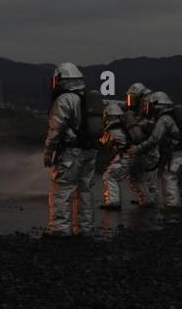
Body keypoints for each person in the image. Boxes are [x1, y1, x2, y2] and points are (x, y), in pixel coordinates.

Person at [42, 62, 98, 237]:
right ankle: (84, 228)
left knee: (62, 190)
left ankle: (60, 230)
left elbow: (55, 130)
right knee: (85, 191)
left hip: (71, 153)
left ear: (60, 80)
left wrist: (48, 153)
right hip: (90, 151)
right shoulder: (87, 97)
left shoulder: (64, 100)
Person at [132, 91, 182, 211]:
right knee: (181, 178)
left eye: (150, 105)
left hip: (177, 152)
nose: (148, 108)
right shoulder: (173, 115)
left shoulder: (164, 119)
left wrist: (138, 149)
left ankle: (172, 206)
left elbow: (154, 139)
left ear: (157, 105)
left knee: (169, 176)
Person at [122, 82, 159, 208]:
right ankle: (151, 200)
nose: (131, 101)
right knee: (150, 176)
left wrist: (135, 124)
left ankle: (147, 200)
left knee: (137, 176)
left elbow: (148, 124)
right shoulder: (149, 103)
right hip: (151, 145)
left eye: (132, 98)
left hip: (147, 145)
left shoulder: (147, 106)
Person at [99, 101, 128, 210]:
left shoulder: (112, 128)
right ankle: (147, 200)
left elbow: (102, 142)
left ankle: (113, 202)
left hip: (125, 157)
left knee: (110, 175)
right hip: (134, 157)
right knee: (136, 179)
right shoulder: (124, 126)